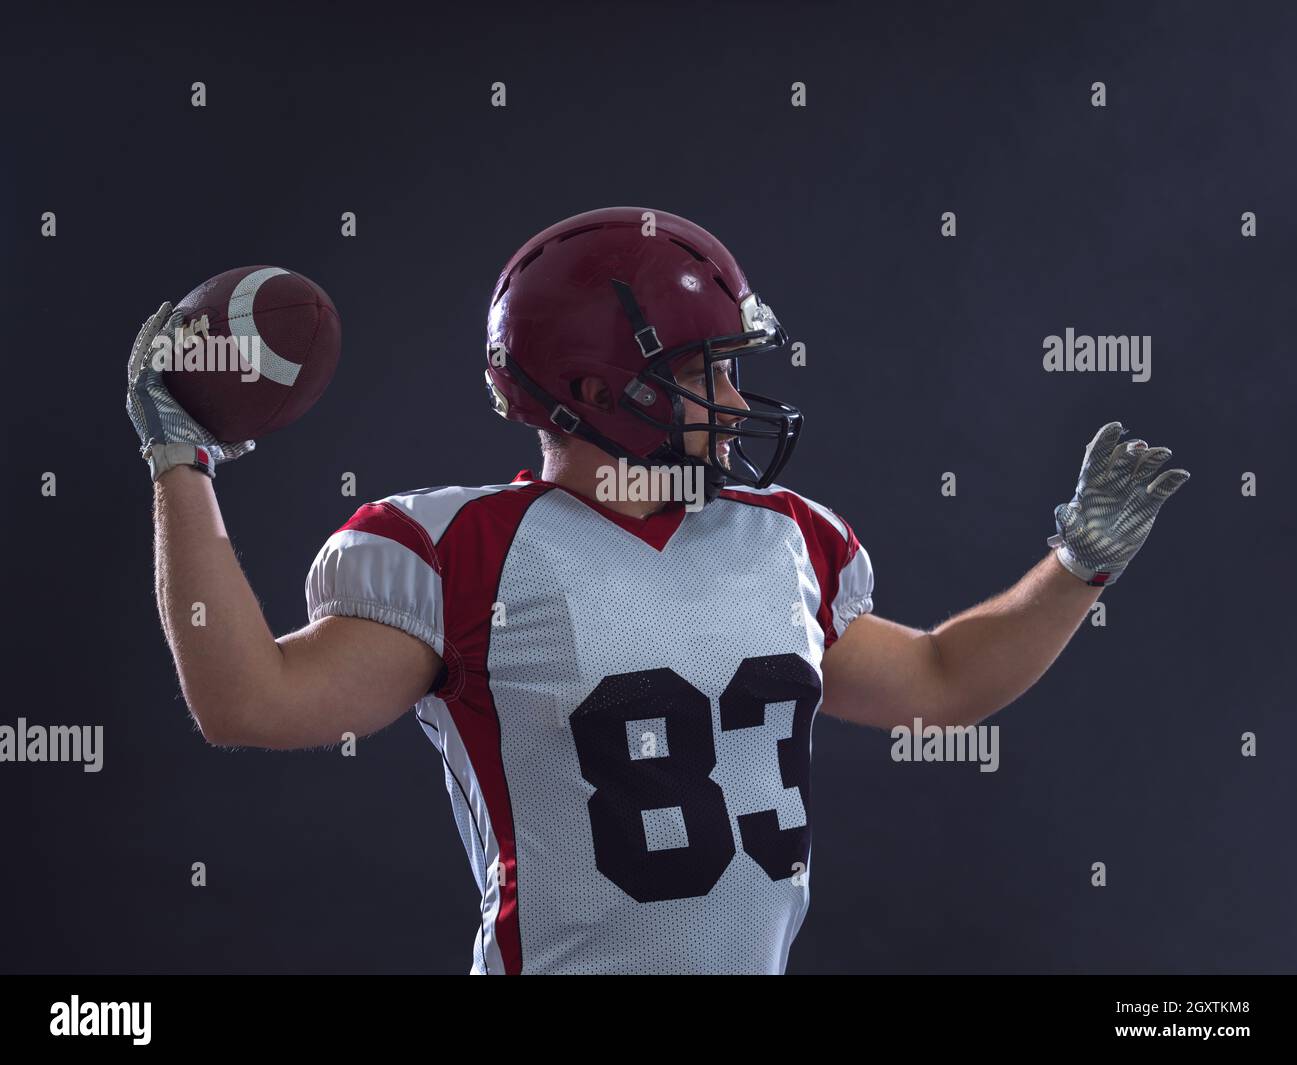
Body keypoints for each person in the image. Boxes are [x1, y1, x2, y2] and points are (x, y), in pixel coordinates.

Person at [127, 206, 1189, 975]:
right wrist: (183, 467)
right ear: (595, 391)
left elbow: (944, 681)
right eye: (705, 373)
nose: (736, 399)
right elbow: (248, 702)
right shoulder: (462, 551)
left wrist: (1073, 568)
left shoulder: (785, 540)